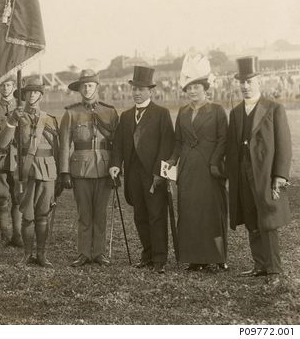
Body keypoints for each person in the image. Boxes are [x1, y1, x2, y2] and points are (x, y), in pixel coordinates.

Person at [225, 56, 292, 287]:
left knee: (269, 220)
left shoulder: (274, 109)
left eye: (249, 81)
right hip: (242, 174)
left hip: (265, 175)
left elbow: (284, 145)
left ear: (259, 81)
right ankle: (260, 265)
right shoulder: (234, 113)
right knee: (252, 218)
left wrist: (279, 176)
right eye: (242, 82)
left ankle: (274, 269)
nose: (245, 86)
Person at [109, 66, 175, 274]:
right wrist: (114, 164)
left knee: (157, 215)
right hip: (133, 175)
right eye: (134, 89)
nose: (137, 92)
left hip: (153, 174)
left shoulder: (161, 113)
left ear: (150, 91)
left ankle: (160, 259)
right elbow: (118, 143)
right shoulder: (126, 115)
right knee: (140, 215)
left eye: (142, 89)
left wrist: (159, 173)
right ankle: (147, 255)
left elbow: (167, 144)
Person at [165, 55, 228, 271]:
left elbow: (223, 140)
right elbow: (178, 142)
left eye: (197, 87)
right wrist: (172, 162)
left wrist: (215, 162)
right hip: (188, 170)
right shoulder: (182, 112)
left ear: (205, 88)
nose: (192, 91)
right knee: (190, 213)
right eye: (189, 87)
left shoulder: (217, 110)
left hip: (210, 169)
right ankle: (195, 259)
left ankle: (219, 258)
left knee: (212, 213)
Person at [0, 78, 59, 268]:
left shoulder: (50, 119)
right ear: (23, 95)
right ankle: (26, 255)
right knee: (28, 215)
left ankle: (41, 255)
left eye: (36, 92)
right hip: (26, 171)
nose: (32, 95)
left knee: (43, 214)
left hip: (47, 171)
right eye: (29, 92)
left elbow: (56, 149)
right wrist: (12, 120)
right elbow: (2, 143)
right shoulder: (16, 116)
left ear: (41, 94)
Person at [59, 70, 119, 267]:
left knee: (100, 214)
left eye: (90, 85)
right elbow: (64, 145)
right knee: (84, 214)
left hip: (104, 169)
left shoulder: (109, 112)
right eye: (83, 86)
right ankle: (84, 253)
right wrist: (65, 172)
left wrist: (117, 168)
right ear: (79, 89)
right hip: (80, 170)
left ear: (97, 86)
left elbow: (116, 144)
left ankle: (99, 253)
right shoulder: (71, 112)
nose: (87, 88)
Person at [0, 74, 22, 247]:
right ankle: (4, 236)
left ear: (14, 87)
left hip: (17, 159)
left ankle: (17, 235)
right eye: (2, 86)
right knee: (1, 197)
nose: (6, 88)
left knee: (18, 198)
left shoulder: (21, 107)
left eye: (9, 85)